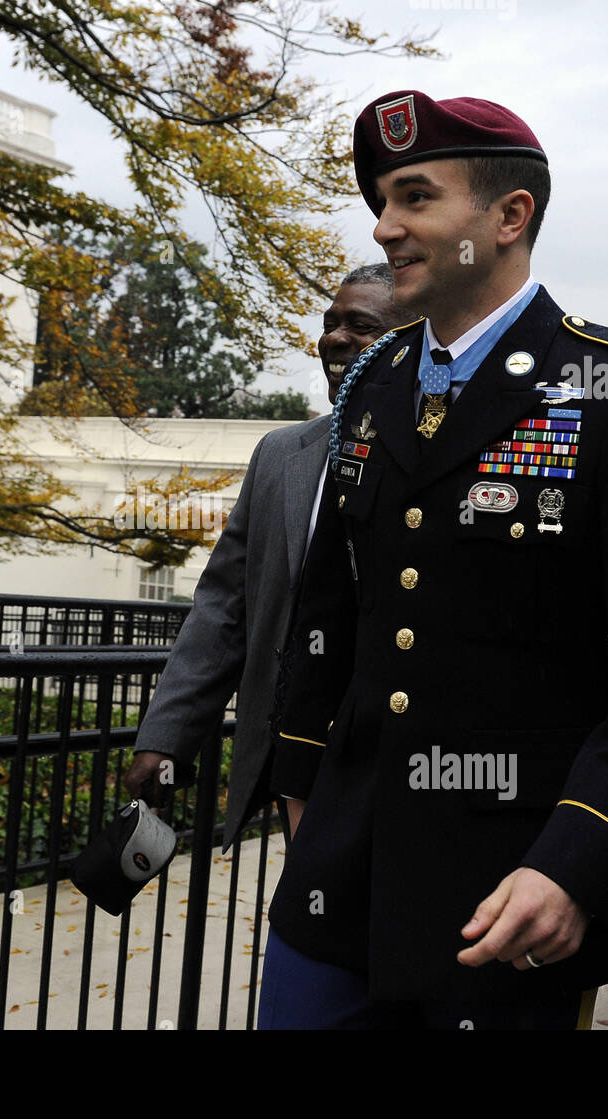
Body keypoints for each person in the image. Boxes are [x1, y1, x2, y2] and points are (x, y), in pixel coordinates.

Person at [259, 90, 608, 1030]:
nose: (385, 227)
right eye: (381, 202)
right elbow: (328, 610)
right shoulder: (373, 385)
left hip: (512, 891)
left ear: (509, 217)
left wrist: (579, 858)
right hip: (339, 872)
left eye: (415, 198)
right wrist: (301, 787)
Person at [125, 266, 410, 847]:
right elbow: (224, 606)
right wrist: (166, 735)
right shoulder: (283, 455)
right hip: (294, 755)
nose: (334, 338)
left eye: (361, 325)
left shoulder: (441, 460)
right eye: (330, 323)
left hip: (400, 759)